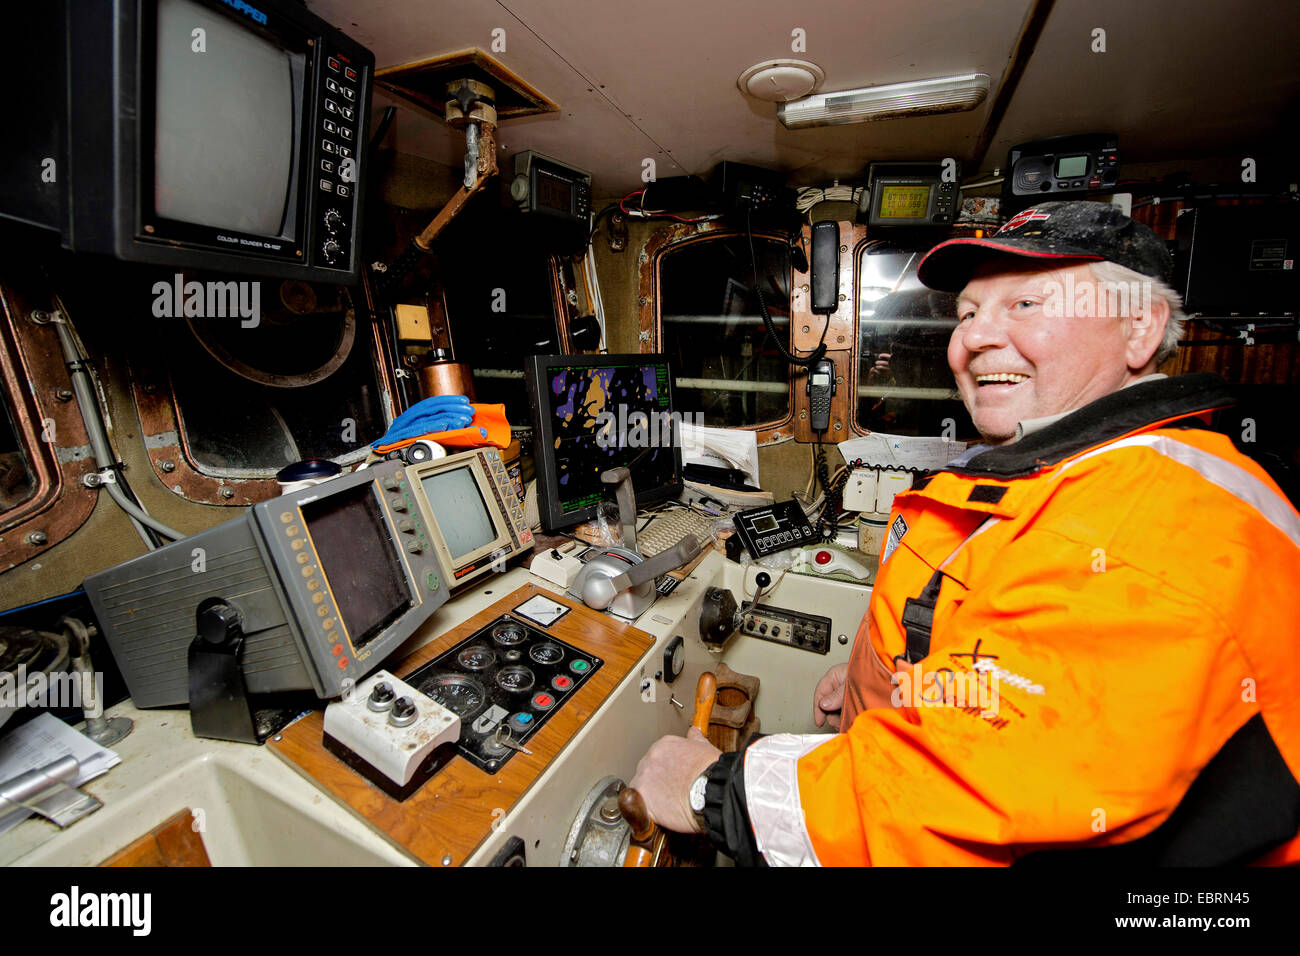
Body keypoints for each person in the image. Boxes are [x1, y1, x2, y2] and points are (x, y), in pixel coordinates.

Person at [629, 201, 1300, 866]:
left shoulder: (1151, 529)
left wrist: (709, 791)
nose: (973, 339)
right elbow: (1006, 670)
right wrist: (885, 681)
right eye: (969, 314)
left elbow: (956, 799)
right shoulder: (1080, 472)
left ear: (1140, 327)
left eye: (1026, 306)